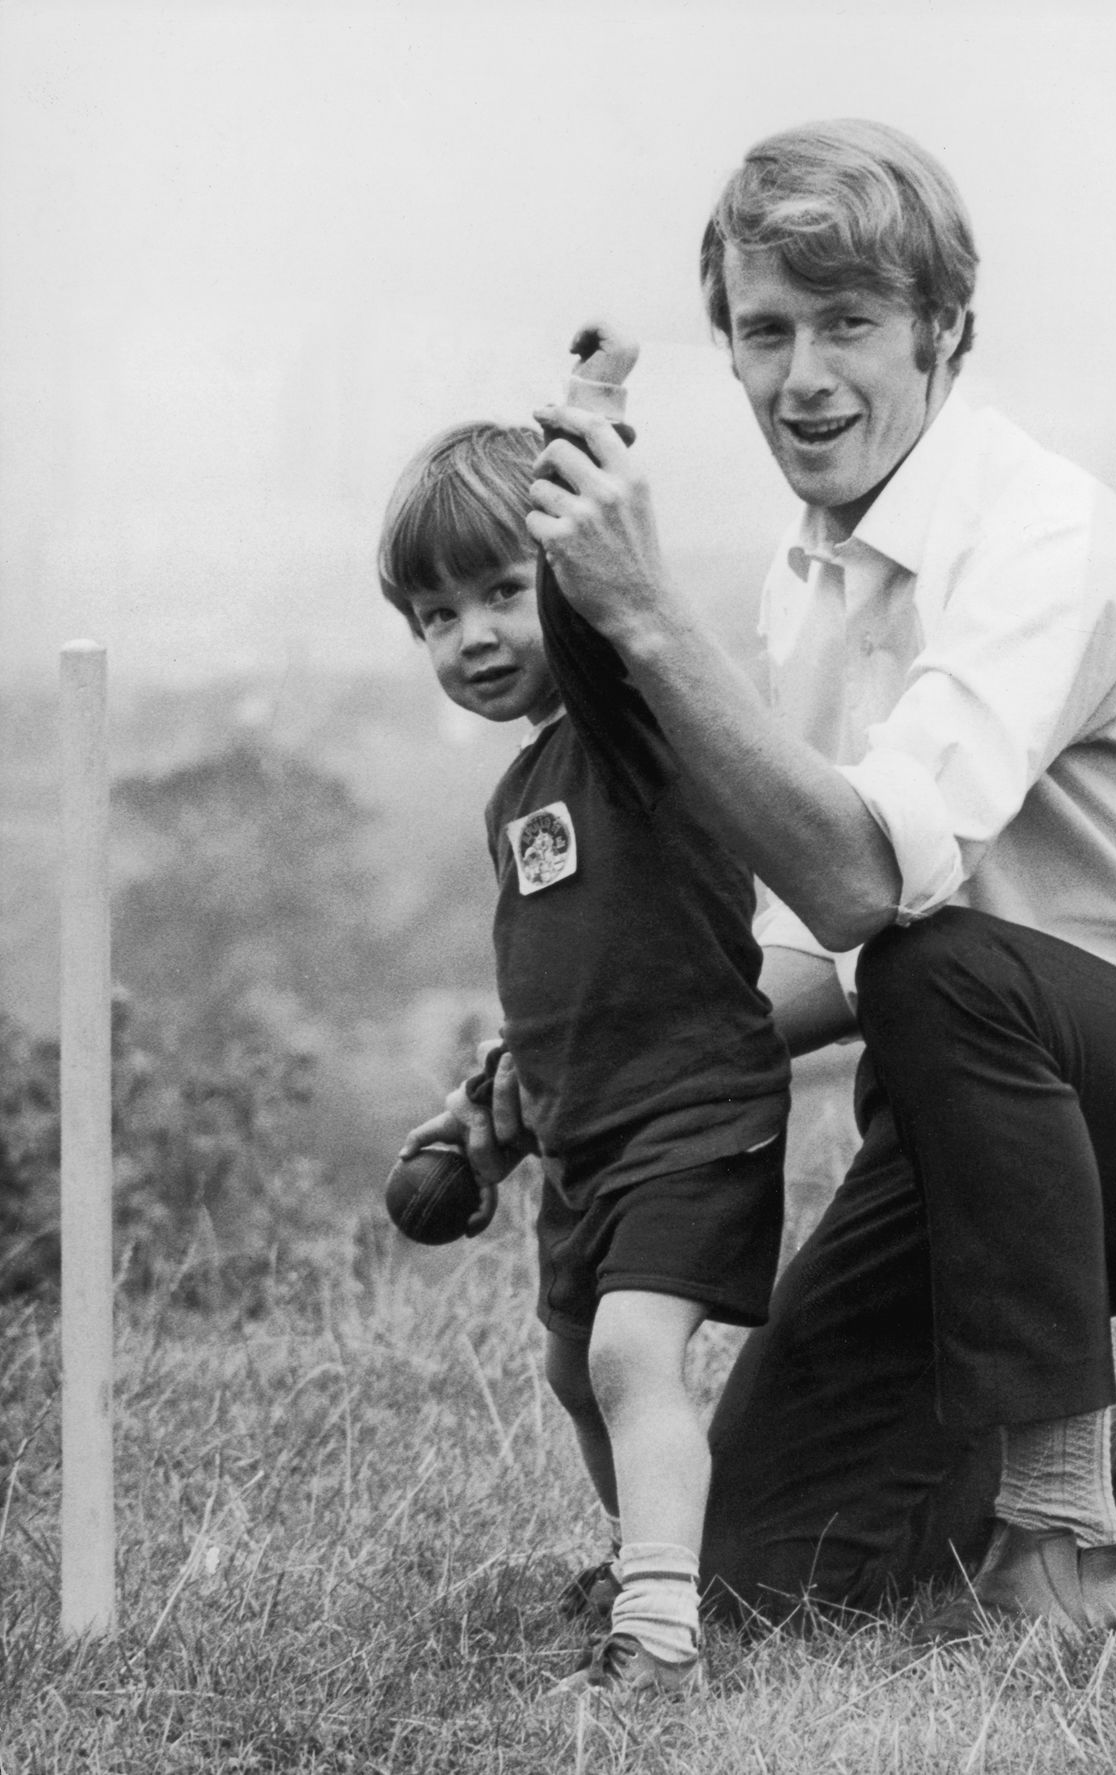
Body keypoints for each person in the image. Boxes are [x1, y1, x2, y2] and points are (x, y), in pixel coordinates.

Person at [516, 119, 1116, 1643]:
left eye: (849, 324)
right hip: (987, 1140)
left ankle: (1066, 1527)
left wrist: (642, 616)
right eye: (765, 331)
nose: (803, 377)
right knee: (759, 1575)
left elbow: (859, 888)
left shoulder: (1041, 543)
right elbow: (800, 956)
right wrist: (579, 1058)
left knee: (933, 963)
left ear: (946, 331)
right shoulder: (810, 581)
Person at [380, 369, 791, 1694]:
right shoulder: (519, 793)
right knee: (576, 1370)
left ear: (564, 580)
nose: (473, 637)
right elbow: (567, 988)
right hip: (588, 1149)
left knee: (627, 1356)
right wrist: (493, 1114)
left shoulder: (626, 727)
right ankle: (654, 1561)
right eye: (437, 615)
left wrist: (586, 421)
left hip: (695, 1120)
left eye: (504, 593)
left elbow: (606, 610)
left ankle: (659, 1638)